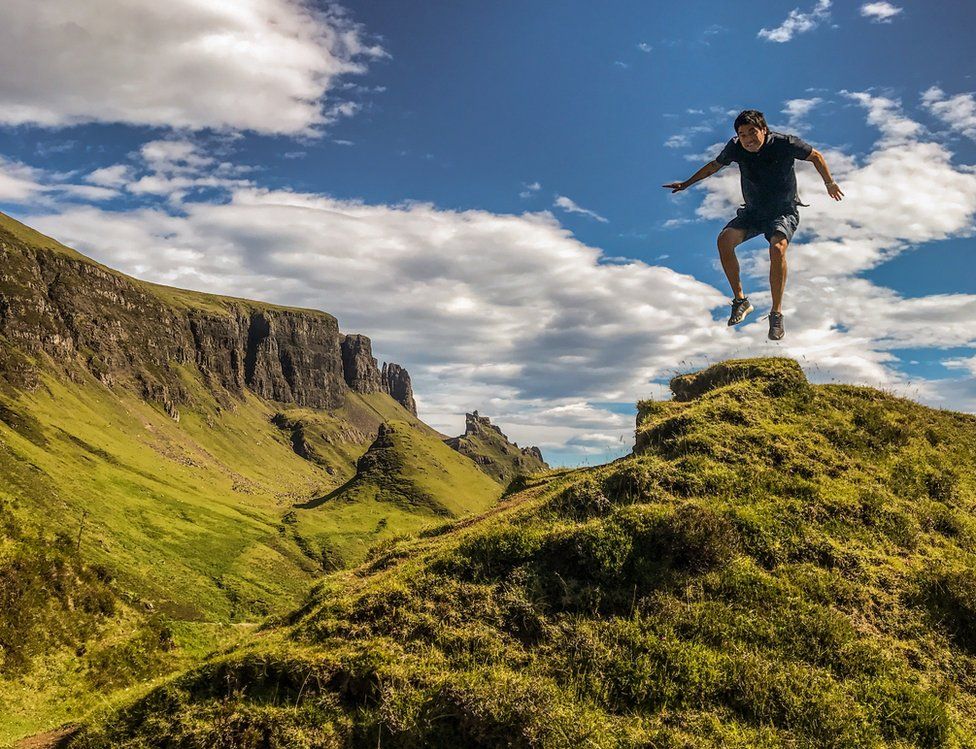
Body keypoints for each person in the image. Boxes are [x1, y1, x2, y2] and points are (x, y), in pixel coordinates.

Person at [663, 109, 843, 340]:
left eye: (752, 132)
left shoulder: (785, 143)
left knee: (777, 248)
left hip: (783, 211)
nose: (747, 139)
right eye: (742, 134)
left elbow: (816, 156)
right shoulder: (735, 147)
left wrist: (829, 183)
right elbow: (714, 166)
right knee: (724, 240)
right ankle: (740, 300)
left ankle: (776, 315)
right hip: (753, 212)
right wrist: (687, 183)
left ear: (764, 130)